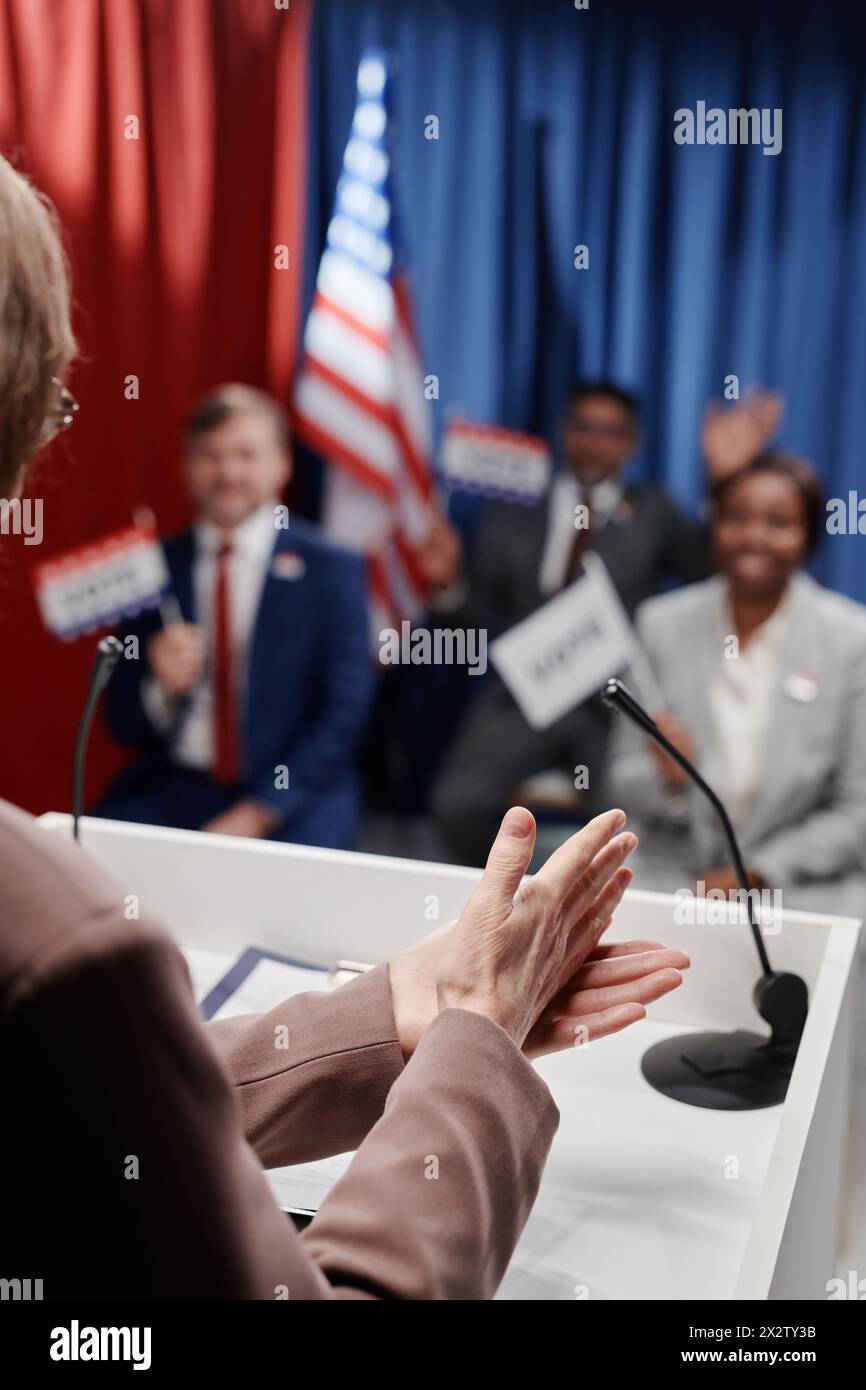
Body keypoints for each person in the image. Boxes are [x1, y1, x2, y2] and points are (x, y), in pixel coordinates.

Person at [0, 153, 689, 1299]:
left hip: (309, 796)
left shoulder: (330, 571)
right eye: (54, 406)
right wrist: (477, 1038)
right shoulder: (61, 941)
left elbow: (74, 1113)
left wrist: (391, 1013)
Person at [429, 381, 783, 866]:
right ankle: (508, 906)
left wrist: (724, 484)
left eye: (611, 431)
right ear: (564, 431)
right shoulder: (514, 508)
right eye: (584, 427)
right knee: (456, 804)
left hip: (614, 708)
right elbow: (480, 612)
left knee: (629, 822)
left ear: (632, 442)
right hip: (523, 701)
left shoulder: (653, 510)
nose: (595, 441)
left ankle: (591, 912)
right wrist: (449, 586)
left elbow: (715, 575)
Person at [93, 384, 373, 849]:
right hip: (176, 787)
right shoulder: (153, 568)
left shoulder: (332, 569)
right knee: (97, 866)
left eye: (245, 454)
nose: (228, 472)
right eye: (210, 455)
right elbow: (119, 721)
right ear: (186, 468)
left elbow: (344, 714)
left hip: (292, 792)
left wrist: (259, 811)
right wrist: (159, 687)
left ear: (281, 464)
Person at [605, 452, 866, 919]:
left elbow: (857, 810)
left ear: (808, 536)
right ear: (714, 526)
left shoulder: (851, 639)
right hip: (676, 879)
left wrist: (753, 873)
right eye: (736, 518)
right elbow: (621, 780)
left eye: (779, 522)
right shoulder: (661, 624)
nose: (754, 537)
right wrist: (667, 780)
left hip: (800, 888)